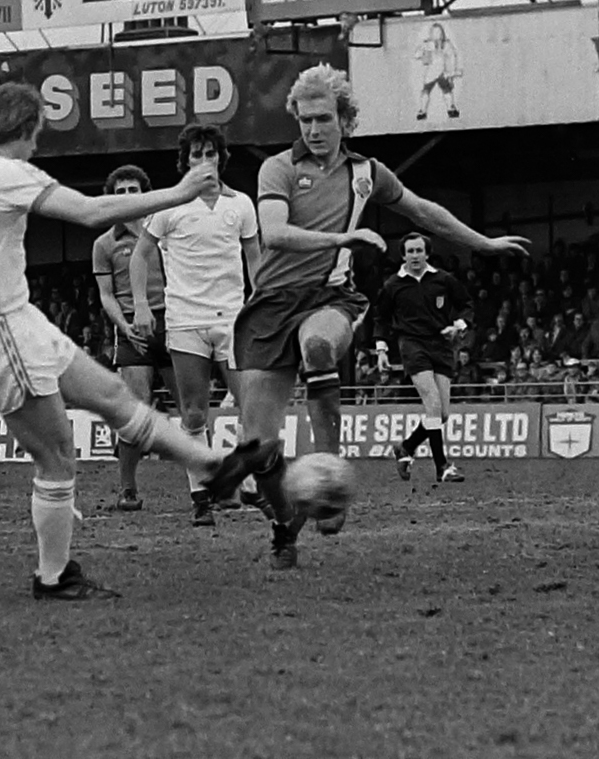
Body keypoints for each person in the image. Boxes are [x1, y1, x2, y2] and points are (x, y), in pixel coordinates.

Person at [0, 81, 274, 602]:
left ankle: (213, 470)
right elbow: (88, 213)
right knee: (58, 458)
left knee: (112, 396)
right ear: (19, 129)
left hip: (17, 319)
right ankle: (53, 576)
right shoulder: (7, 172)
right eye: (35, 134)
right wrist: (180, 192)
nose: (36, 146)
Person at [230, 64, 529, 571]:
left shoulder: (367, 172)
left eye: (324, 119)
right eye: (305, 120)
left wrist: (483, 243)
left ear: (345, 120)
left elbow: (423, 211)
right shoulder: (277, 168)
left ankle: (328, 471)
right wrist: (342, 239)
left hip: (329, 298)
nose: (313, 130)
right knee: (254, 459)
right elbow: (273, 232)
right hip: (270, 307)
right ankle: (286, 523)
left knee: (319, 346)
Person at [131, 125, 261, 526]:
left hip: (234, 319)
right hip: (186, 320)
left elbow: (254, 257)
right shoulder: (170, 206)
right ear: (185, 160)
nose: (204, 160)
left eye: (210, 153)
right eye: (196, 154)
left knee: (252, 407)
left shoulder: (240, 204)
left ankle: (241, 477)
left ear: (222, 158)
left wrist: (264, 301)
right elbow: (141, 256)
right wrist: (140, 304)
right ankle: (201, 497)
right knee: (192, 414)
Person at [90, 164, 175, 512]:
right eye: (120, 192)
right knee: (134, 413)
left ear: (144, 194)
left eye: (133, 191)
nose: (127, 198)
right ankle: (128, 490)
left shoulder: (166, 231)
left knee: (193, 410)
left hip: (173, 324)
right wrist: (124, 327)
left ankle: (211, 487)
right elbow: (106, 295)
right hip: (131, 332)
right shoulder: (104, 244)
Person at [376, 232, 472, 484]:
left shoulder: (444, 280)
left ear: (427, 254)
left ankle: (406, 447)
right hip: (412, 345)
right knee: (432, 402)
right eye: (410, 251)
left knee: (442, 414)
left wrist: (459, 325)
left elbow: (467, 305)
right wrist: (382, 349)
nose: (415, 256)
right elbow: (381, 319)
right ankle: (443, 466)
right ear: (403, 255)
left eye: (419, 251)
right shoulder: (393, 285)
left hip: (441, 345)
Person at [414, 21, 462, 121]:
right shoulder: (428, 44)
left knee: (445, 90)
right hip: (432, 71)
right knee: (428, 90)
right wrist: (423, 51)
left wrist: (451, 72)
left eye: (438, 33)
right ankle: (423, 110)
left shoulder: (446, 44)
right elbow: (417, 55)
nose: (437, 36)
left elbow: (452, 56)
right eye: (435, 33)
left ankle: (450, 109)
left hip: (440, 71)